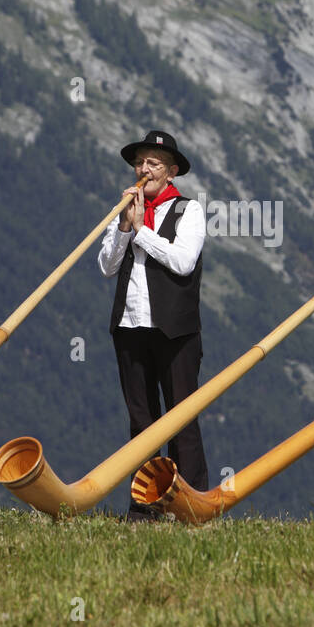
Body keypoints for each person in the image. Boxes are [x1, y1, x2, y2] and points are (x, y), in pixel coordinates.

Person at [98, 130, 209, 521]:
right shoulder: (125, 209)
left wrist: (141, 231)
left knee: (182, 418)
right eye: (141, 162)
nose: (145, 170)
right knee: (142, 422)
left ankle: (192, 506)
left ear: (172, 171)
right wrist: (125, 228)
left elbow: (182, 262)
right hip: (130, 327)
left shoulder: (188, 210)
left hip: (175, 332)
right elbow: (108, 268)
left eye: (155, 164)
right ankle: (144, 507)